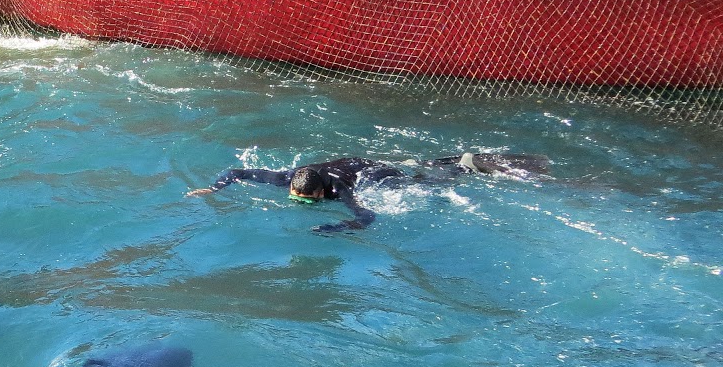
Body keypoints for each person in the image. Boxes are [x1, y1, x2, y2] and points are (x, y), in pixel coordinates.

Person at [186, 153, 550, 234]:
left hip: (366, 171)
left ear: (318, 194)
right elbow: (236, 171)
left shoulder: (337, 189)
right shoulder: (287, 178)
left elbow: (367, 216)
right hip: (345, 160)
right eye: (294, 198)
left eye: (304, 202)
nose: (297, 204)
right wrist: (214, 188)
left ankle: (464, 165)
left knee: (415, 184)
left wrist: (339, 227)